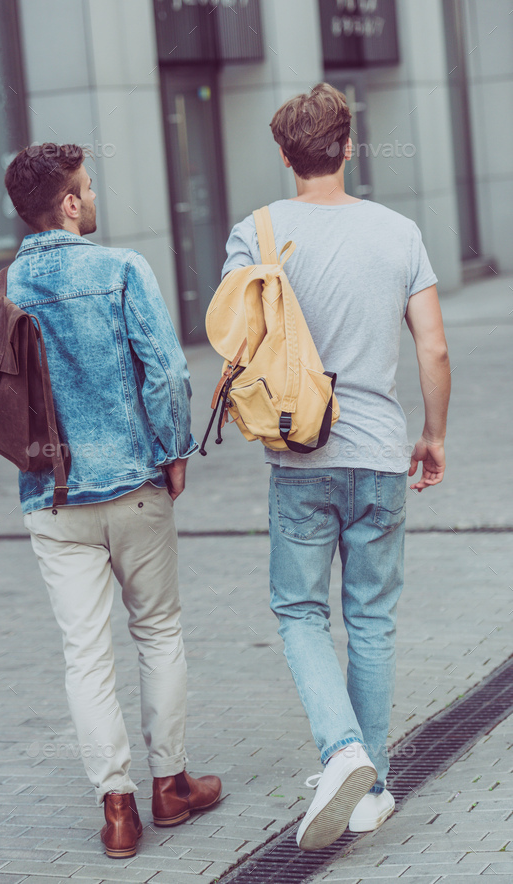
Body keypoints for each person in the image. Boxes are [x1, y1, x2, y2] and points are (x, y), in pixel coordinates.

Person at [0, 143, 221, 859]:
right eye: (88, 186)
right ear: (70, 203)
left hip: (52, 502)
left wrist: (37, 469)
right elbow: (166, 373)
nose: (93, 194)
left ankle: (117, 810)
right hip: (136, 486)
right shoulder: (123, 270)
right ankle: (171, 786)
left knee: (86, 658)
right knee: (158, 631)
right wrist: (171, 452)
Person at [222, 84, 450, 851]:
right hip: (383, 452)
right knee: (373, 619)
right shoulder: (399, 231)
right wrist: (435, 434)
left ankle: (341, 750)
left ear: (285, 155)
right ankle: (371, 788)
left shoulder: (255, 232)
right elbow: (433, 346)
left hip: (300, 454)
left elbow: (230, 341)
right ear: (348, 147)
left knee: (298, 612)